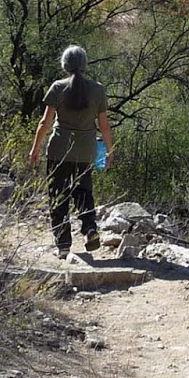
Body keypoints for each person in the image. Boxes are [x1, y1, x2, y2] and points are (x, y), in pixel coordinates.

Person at [27, 44, 113, 258]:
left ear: (64, 65)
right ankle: (90, 228)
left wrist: (35, 148)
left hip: (59, 149)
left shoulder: (57, 87)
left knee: (58, 194)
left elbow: (45, 123)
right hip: (86, 150)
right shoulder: (98, 89)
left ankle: (63, 245)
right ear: (84, 64)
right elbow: (104, 126)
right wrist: (110, 151)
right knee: (84, 191)